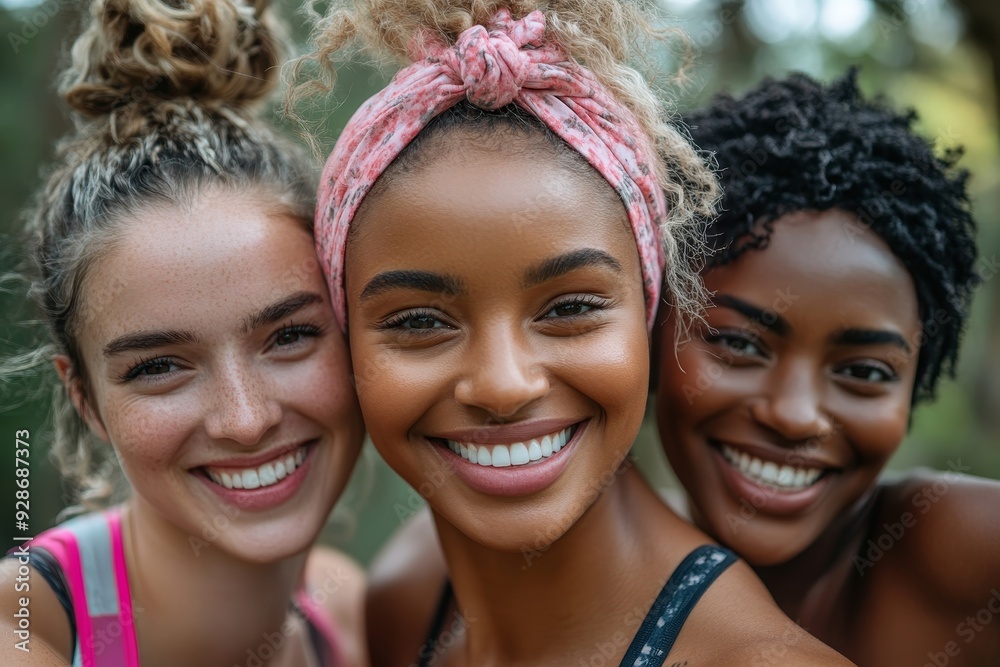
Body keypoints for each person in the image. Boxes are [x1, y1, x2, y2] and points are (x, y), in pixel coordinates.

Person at [300, 2, 855, 665]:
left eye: (569, 309)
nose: (503, 385)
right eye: (420, 321)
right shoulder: (404, 600)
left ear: (649, 317)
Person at [0, 1, 367, 665]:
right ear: (85, 400)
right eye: (158, 366)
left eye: (289, 336)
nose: (246, 419)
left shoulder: (349, 613)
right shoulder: (26, 626)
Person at [655, 71, 1000, 666]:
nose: (793, 415)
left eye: (864, 372)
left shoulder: (962, 552)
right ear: (656, 328)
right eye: (739, 344)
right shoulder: (576, 567)